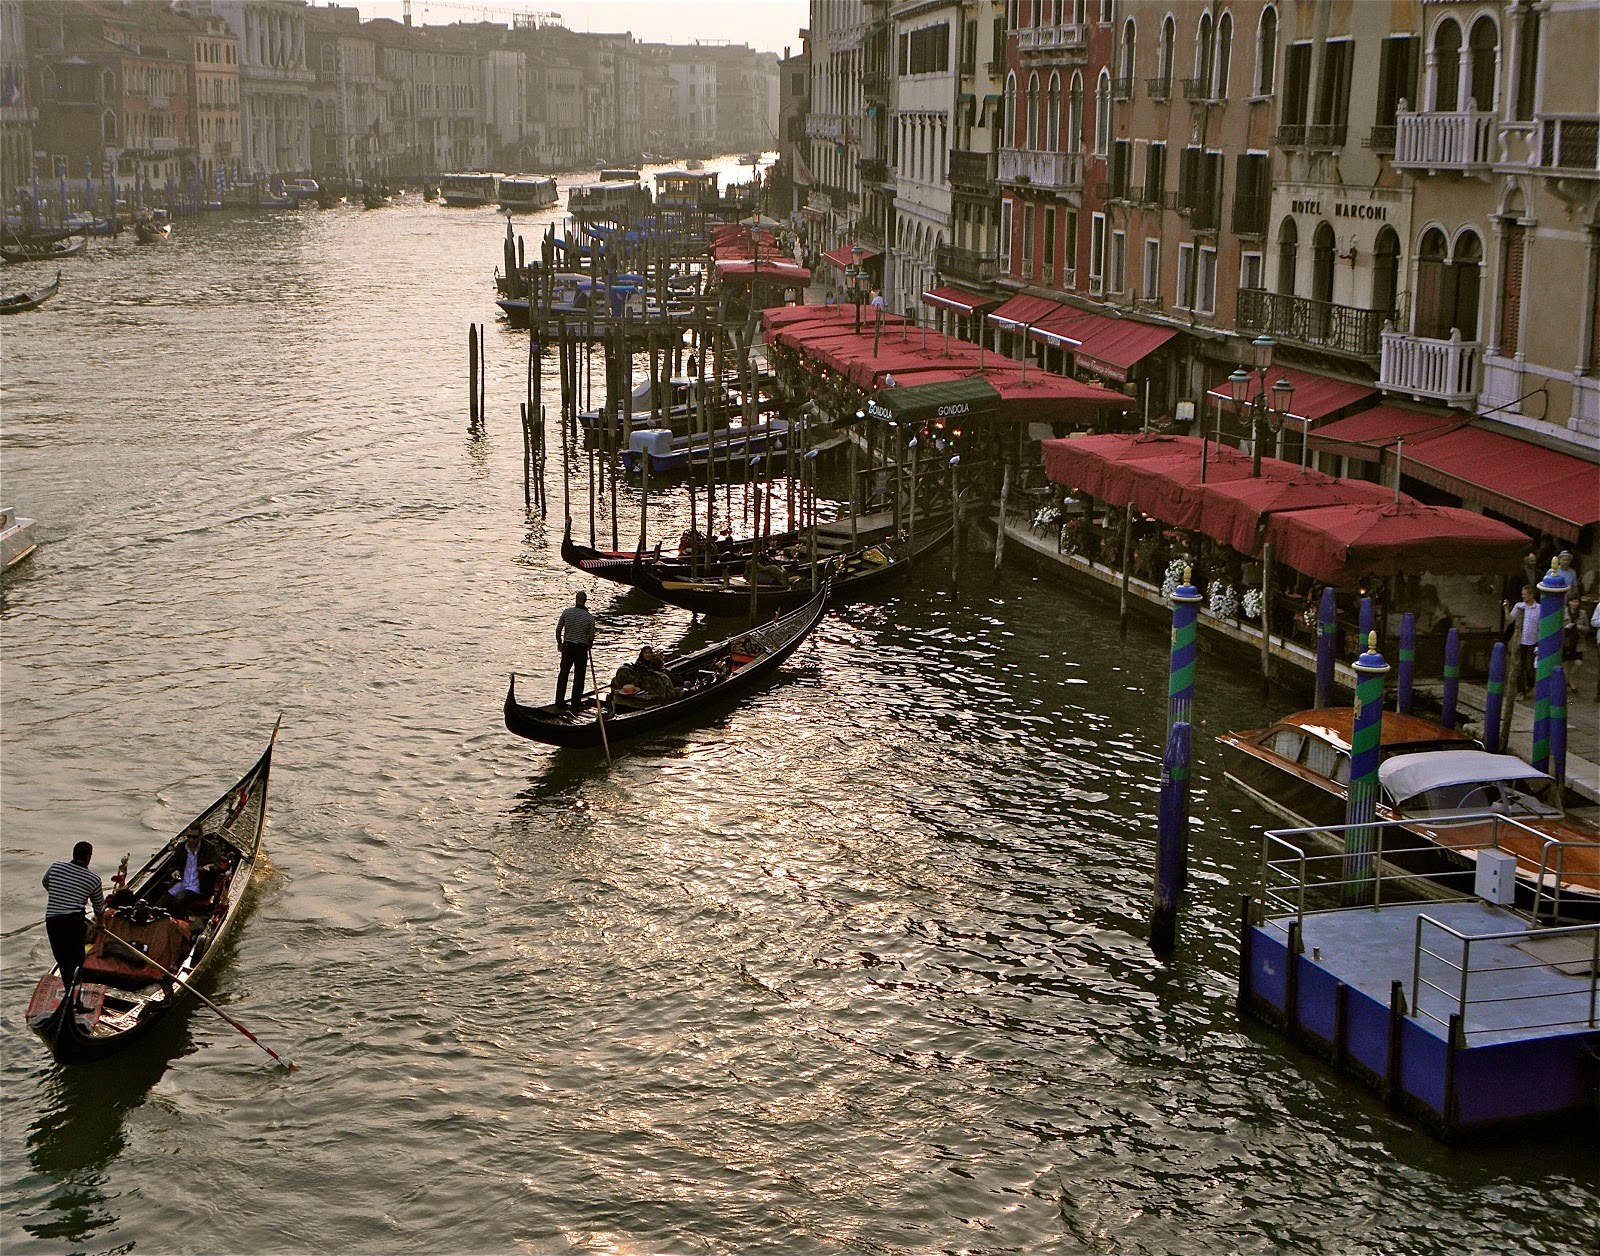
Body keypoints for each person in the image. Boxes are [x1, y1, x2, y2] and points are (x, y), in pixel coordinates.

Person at [43, 841, 104, 991]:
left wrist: (61, 898)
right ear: (89, 857)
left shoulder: (55, 867)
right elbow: (99, 908)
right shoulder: (93, 879)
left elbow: (46, 883)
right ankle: (75, 1001)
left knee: (63, 961)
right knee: (77, 961)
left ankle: (68, 992)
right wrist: (100, 924)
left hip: (52, 921)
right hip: (73, 922)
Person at [166, 825, 224, 917]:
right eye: (189, 836)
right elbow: (173, 866)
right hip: (182, 883)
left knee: (180, 899)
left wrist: (209, 867)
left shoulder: (210, 848)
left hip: (201, 887)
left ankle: (176, 922)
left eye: (194, 837)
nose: (191, 840)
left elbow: (218, 867)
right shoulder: (181, 847)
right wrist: (174, 871)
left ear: (201, 835)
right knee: (164, 899)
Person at [555, 589, 596, 708]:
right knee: (579, 676)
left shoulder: (566, 613)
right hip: (581, 649)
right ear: (585, 601)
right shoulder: (589, 618)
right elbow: (591, 636)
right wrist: (589, 645)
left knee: (563, 674)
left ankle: (559, 702)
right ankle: (576, 702)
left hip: (568, 646)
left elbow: (558, 630)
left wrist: (560, 643)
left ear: (576, 599)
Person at [1505, 585, 1540, 694]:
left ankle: (1530, 684)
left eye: (1524, 594)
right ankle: (1520, 690)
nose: (1522, 596)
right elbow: (1510, 620)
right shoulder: (1519, 606)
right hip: (1519, 640)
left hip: (1532, 641)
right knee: (1518, 666)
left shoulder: (1539, 608)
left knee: (1529, 666)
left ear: (1531, 595)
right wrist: (1506, 608)